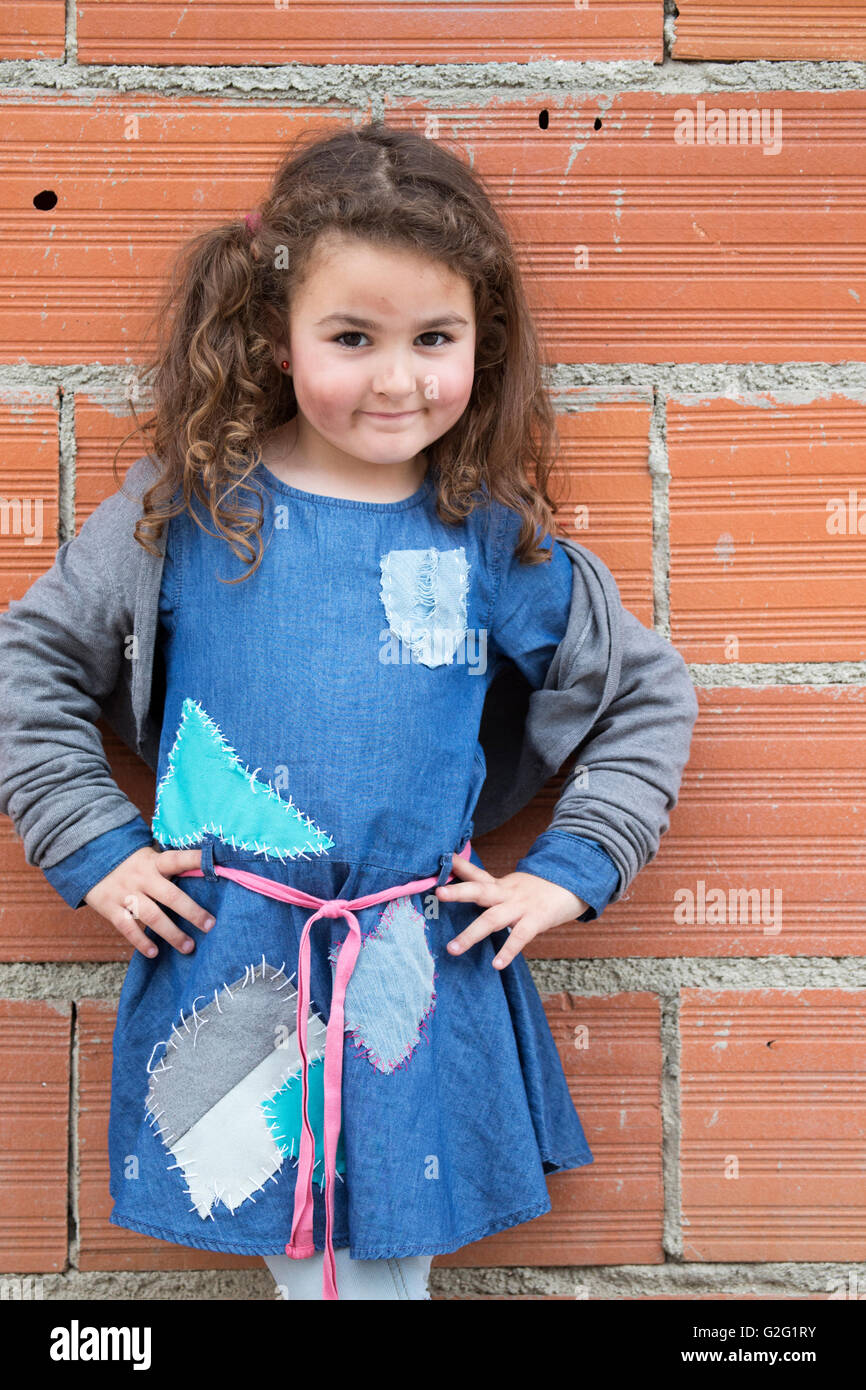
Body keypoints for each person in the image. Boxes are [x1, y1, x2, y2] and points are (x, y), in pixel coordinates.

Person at [0, 122, 698, 1301]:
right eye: (351, 337)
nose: (396, 378)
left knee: (384, 1270)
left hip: (410, 973)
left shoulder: (484, 535)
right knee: (306, 1268)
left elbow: (644, 693)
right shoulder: (182, 514)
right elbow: (31, 665)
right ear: (277, 335)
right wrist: (93, 845)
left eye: (434, 338)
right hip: (234, 963)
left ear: (484, 337)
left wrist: (569, 868)